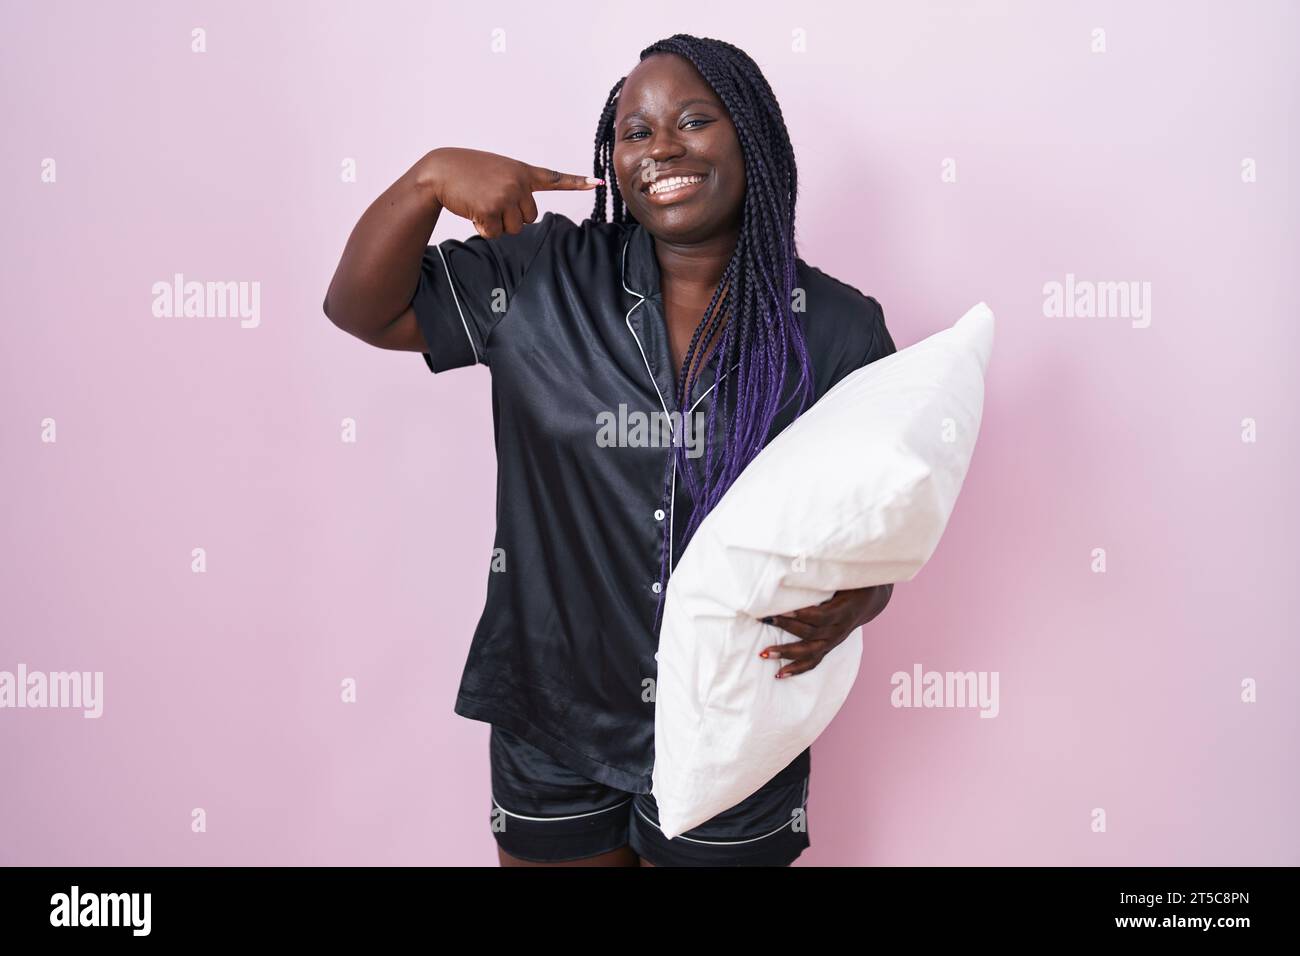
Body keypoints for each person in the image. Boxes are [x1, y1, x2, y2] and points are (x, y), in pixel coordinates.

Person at [323, 33, 896, 867]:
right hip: (553, 715)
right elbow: (361, 309)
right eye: (636, 132)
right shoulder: (538, 277)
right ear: (614, 159)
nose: (663, 146)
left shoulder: (838, 329)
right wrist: (430, 178)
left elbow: (884, 509)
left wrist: (866, 596)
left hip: (733, 729)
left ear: (754, 138)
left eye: (694, 120)